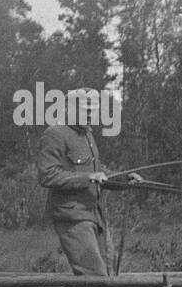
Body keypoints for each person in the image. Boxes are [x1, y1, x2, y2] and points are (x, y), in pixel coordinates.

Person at [36, 110, 140, 275]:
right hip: (73, 217)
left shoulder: (87, 134)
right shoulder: (54, 134)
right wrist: (88, 177)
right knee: (94, 275)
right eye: (87, 111)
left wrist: (124, 180)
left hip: (95, 216)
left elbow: (99, 172)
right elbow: (47, 175)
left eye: (94, 111)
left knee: (110, 272)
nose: (92, 115)